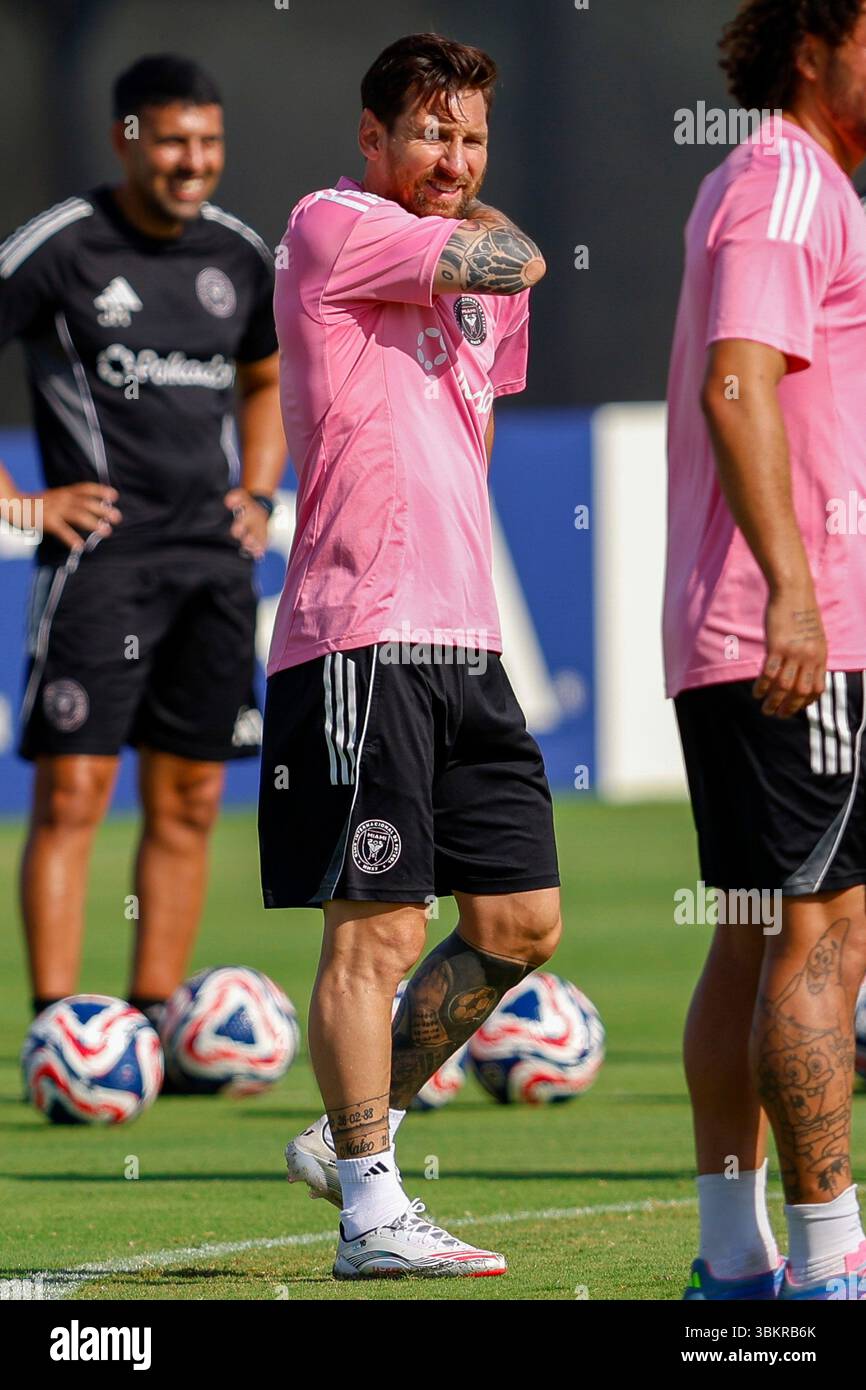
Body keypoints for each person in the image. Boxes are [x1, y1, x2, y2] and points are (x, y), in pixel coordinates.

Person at [258, 32, 562, 1279]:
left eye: (473, 137)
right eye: (431, 133)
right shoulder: (330, 220)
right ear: (370, 137)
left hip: (463, 635)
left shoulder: (461, 264)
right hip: (359, 630)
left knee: (519, 920)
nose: (454, 158)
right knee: (373, 932)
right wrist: (469, 207)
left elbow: (483, 374)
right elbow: (511, 249)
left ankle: (348, 1138)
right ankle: (372, 1215)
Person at [0, 54, 285, 1037]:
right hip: (99, 563)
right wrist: (21, 504)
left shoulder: (240, 254)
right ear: (128, 139)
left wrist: (256, 490)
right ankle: (60, 1025)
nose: (190, 160)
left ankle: (154, 1012)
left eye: (206, 142)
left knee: (192, 796)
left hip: (212, 562)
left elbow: (265, 377)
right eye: (171, 141)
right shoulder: (63, 246)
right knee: (74, 788)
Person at [665, 0, 866, 1301]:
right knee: (820, 935)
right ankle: (829, 1256)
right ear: (815, 46)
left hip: (759, 627)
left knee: (751, 933)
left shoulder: (794, 184)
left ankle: (735, 1257)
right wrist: (793, 590)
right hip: (784, 633)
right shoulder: (784, 181)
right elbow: (735, 381)